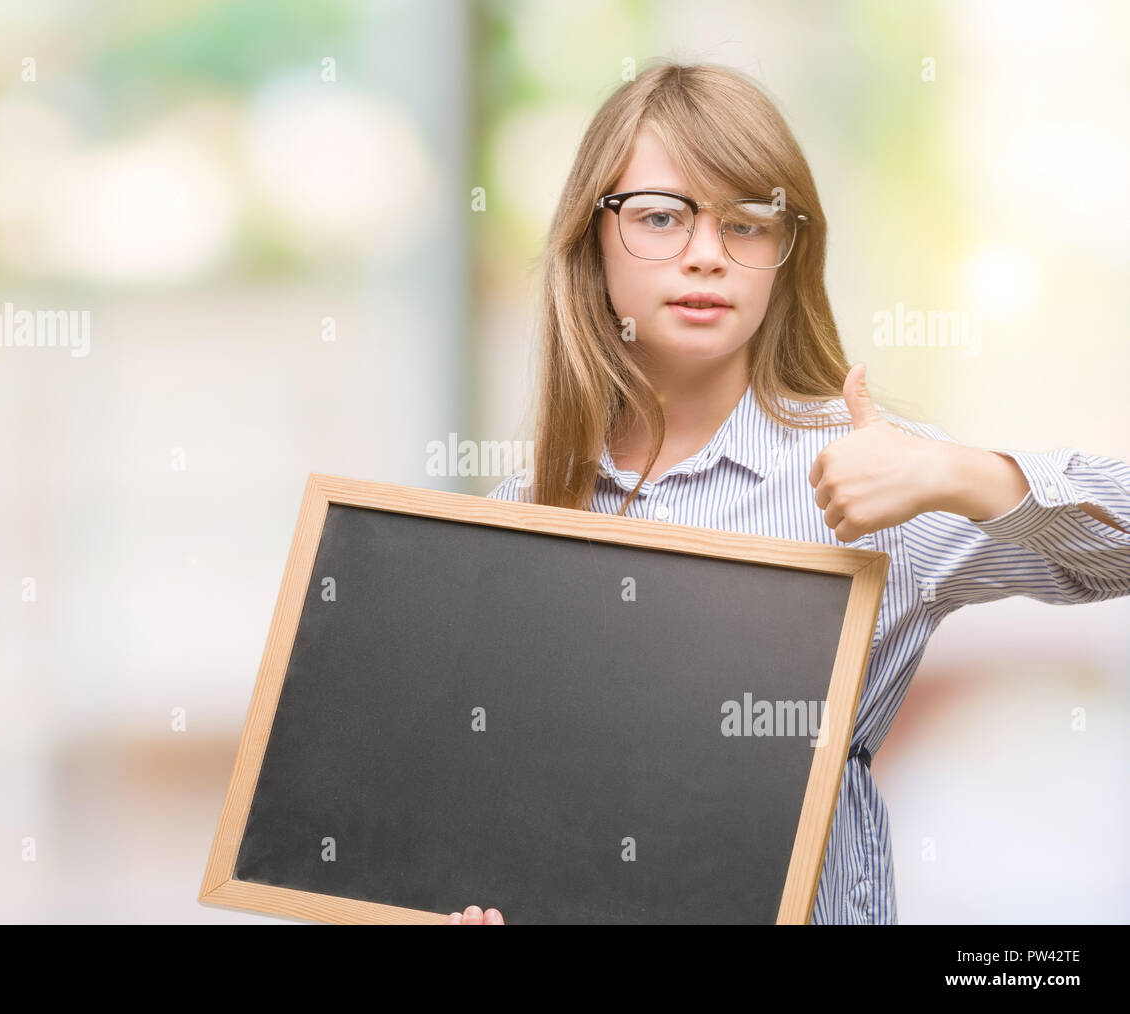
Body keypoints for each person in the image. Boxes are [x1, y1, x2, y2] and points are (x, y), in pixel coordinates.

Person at [448, 60, 1130, 925]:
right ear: (591, 240)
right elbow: (506, 812)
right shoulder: (518, 514)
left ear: (784, 251)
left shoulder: (874, 474)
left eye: (747, 222)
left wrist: (956, 475)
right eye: (661, 217)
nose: (706, 253)